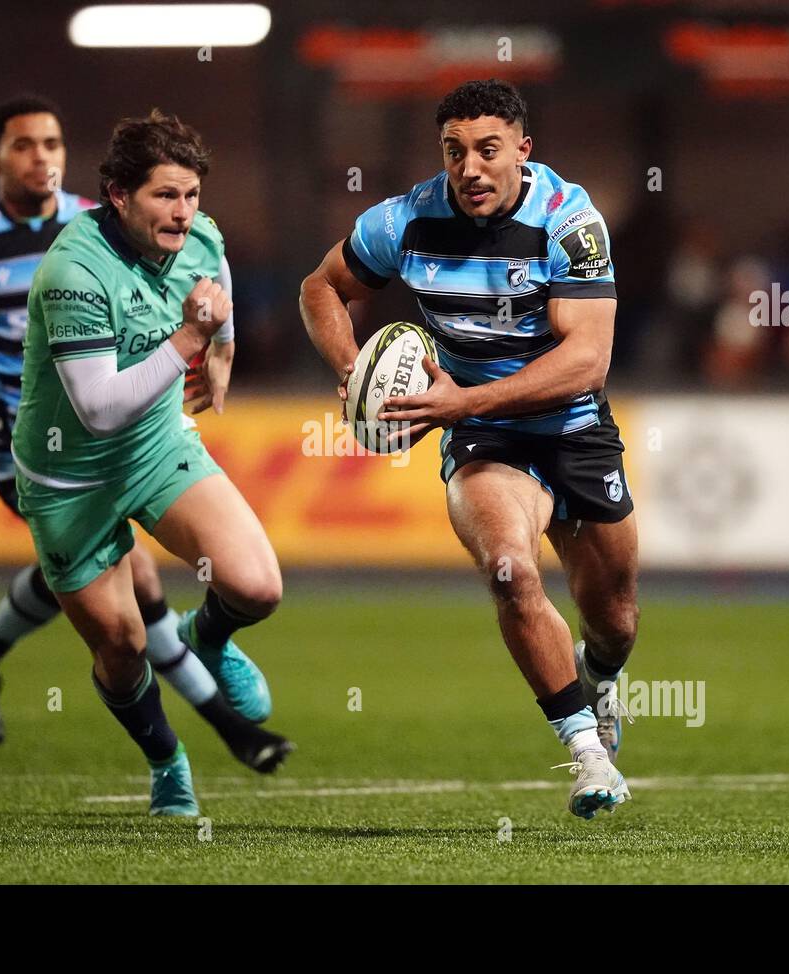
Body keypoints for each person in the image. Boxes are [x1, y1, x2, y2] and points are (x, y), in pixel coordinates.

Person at [0, 97, 269, 768]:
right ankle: (209, 738)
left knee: (126, 587)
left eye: (53, 143)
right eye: (26, 145)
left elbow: (209, 254)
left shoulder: (119, 216)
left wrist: (223, 347)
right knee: (133, 595)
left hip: (140, 430)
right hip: (33, 439)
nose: (43, 157)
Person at [299, 80, 638, 820]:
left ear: (523, 149)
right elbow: (320, 288)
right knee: (510, 571)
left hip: (573, 425)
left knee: (615, 619)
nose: (471, 169)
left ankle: (601, 675)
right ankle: (587, 755)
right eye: (455, 152)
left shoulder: (570, 221)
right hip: (484, 437)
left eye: (488, 150)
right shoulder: (405, 220)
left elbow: (587, 362)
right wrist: (351, 368)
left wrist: (462, 400)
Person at [12, 109, 293, 815]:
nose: (183, 213)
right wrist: (192, 335)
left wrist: (220, 347)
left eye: (192, 195)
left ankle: (206, 640)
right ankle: (166, 759)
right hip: (70, 479)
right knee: (123, 644)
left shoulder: (198, 237)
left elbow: (215, 275)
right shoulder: (74, 272)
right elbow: (100, 409)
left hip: (154, 449)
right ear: (117, 195)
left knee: (257, 587)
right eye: (166, 196)